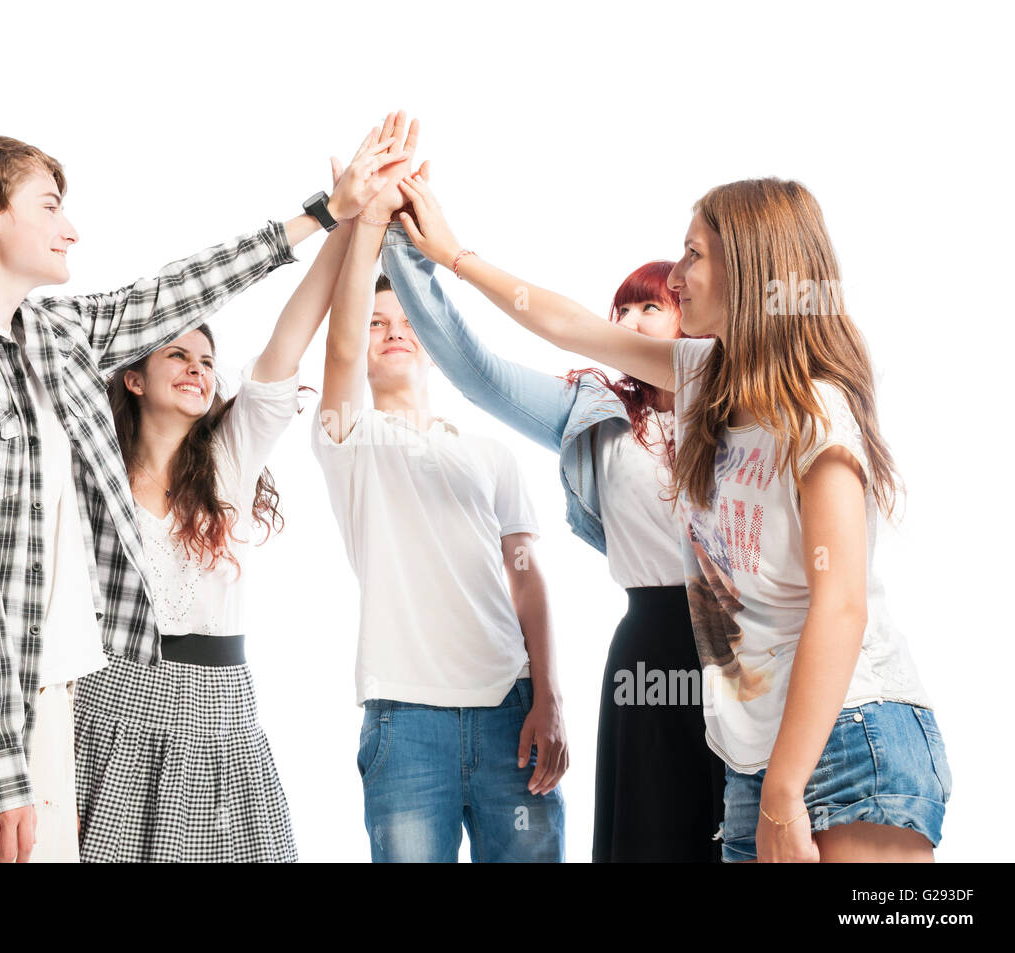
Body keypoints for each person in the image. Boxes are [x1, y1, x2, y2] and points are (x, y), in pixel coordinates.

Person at [0, 123, 405, 862]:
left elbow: (168, 293)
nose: (72, 228)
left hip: (53, 713)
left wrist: (326, 213)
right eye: (51, 206)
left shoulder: (49, 333)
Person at [393, 172, 950, 862]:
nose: (678, 277)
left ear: (748, 265)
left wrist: (784, 791)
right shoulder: (705, 380)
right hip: (753, 754)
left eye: (693, 255)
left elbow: (841, 607)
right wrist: (452, 254)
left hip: (848, 732)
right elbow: (572, 326)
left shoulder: (815, 409)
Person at [380, 193, 725, 861]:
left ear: (692, 310)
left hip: (745, 642)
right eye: (620, 309)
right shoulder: (593, 412)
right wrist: (408, 249)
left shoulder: (736, 391)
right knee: (653, 835)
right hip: (651, 646)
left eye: (649, 304)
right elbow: (478, 373)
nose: (627, 318)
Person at [71, 147, 376, 861]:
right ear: (136, 379)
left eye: (207, 361)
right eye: (176, 355)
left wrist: (343, 218)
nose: (197, 368)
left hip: (219, 705)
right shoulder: (94, 475)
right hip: (113, 697)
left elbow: (291, 336)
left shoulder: (229, 459)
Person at [312, 123, 568, 863]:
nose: (392, 332)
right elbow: (337, 344)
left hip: (510, 712)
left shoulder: (490, 452)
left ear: (427, 336)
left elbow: (530, 586)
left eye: (406, 321)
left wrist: (548, 696)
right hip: (405, 724)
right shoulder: (349, 441)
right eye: (376, 323)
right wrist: (366, 227)